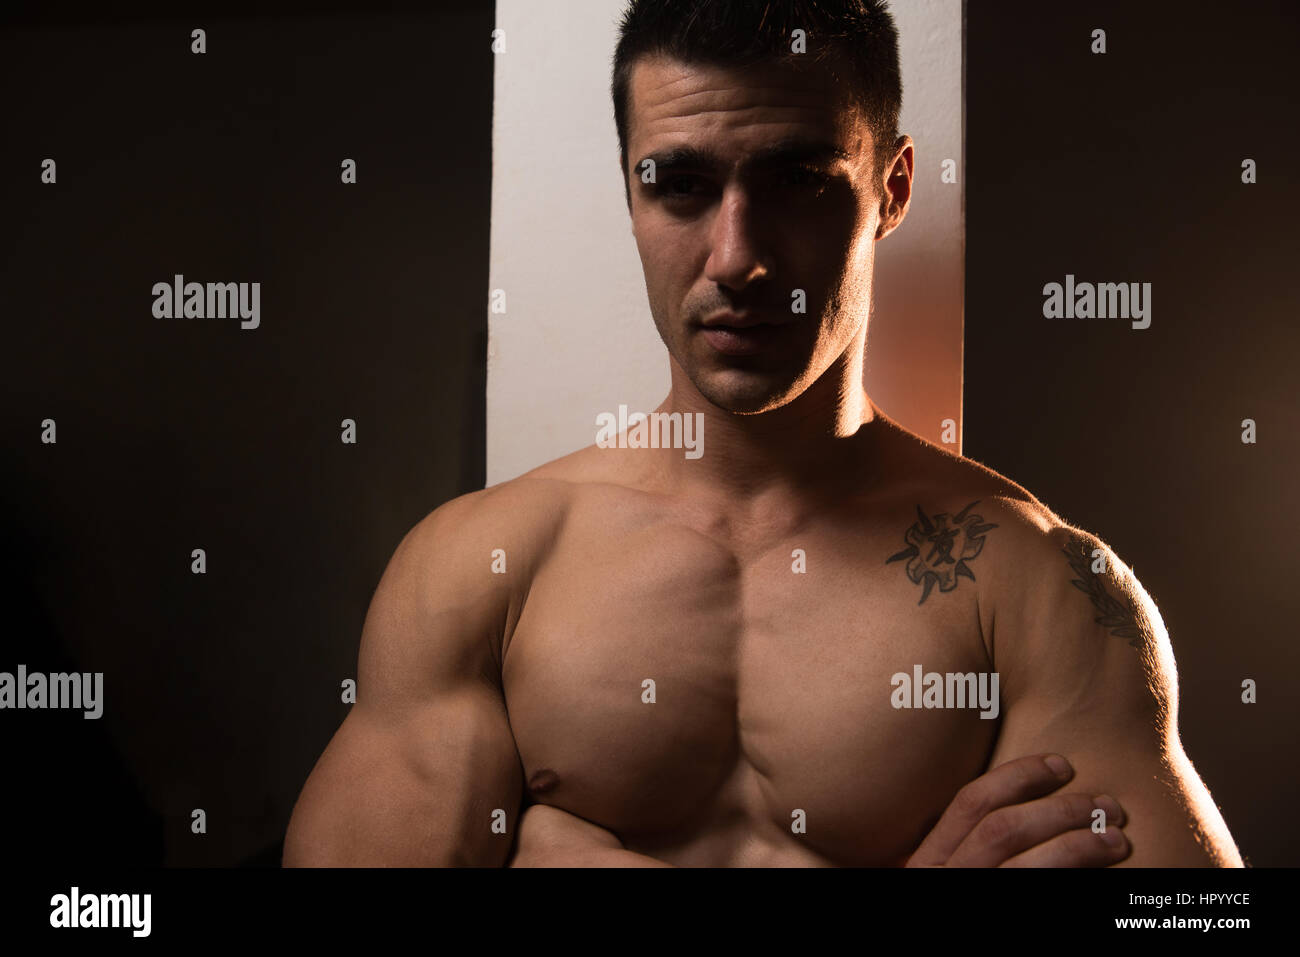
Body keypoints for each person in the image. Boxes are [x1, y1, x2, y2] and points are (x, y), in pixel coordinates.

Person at [283, 0, 1241, 867]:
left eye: (797, 182)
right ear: (628, 193)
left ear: (894, 189)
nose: (738, 257)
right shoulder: (481, 571)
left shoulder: (1037, 586)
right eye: (681, 187)